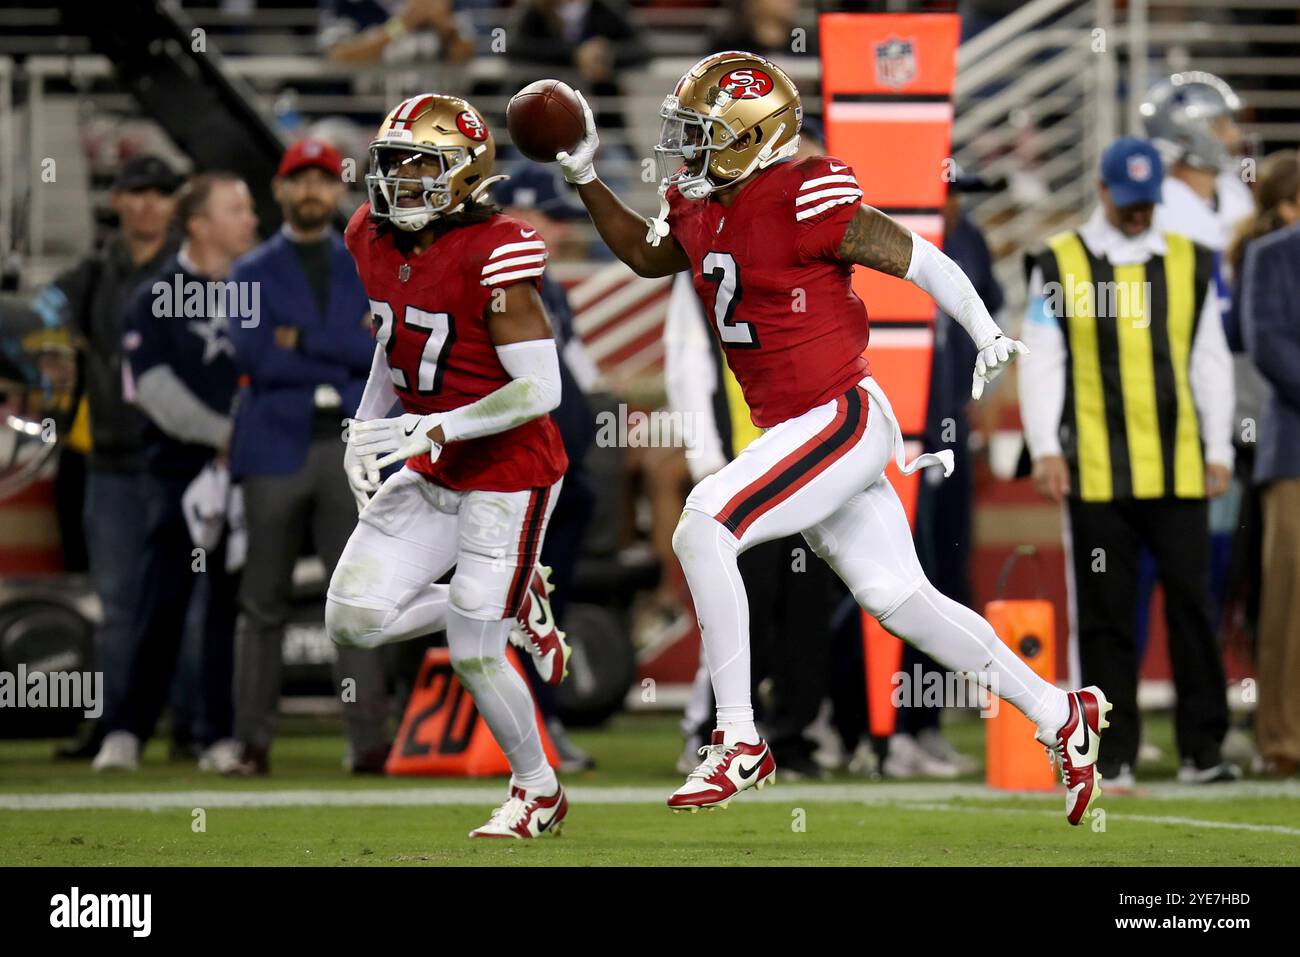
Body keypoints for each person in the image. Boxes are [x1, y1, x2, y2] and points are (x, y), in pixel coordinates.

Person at [553, 50, 1105, 825]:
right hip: (802, 427)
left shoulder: (806, 193)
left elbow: (920, 259)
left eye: (705, 132)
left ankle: (739, 735)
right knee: (899, 596)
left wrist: (985, 331)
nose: (687, 148)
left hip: (839, 414)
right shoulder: (700, 201)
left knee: (705, 522)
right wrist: (584, 177)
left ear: (756, 137)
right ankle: (1059, 712)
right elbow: (648, 253)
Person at [325, 93, 571, 838]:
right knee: (353, 620)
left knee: (474, 651)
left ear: (464, 175)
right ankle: (512, 597)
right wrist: (371, 422)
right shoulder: (369, 232)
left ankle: (537, 791)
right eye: (392, 165)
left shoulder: (497, 249)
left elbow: (542, 389)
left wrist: (433, 427)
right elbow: (395, 339)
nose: (399, 183)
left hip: (511, 467)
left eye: (419, 166)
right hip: (433, 460)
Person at [1018, 137, 1239, 790]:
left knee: (1193, 607)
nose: (1140, 214)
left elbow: (1211, 360)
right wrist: (1046, 445)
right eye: (1130, 201)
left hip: (1178, 467)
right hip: (1095, 468)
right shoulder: (1060, 261)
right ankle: (1110, 752)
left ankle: (1204, 748)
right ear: (1104, 189)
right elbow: (1042, 355)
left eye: (1149, 202)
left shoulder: (1193, 262)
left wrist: (1220, 446)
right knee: (1106, 614)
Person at [225, 140, 391, 776]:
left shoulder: (365, 259)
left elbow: (383, 348)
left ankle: (370, 741)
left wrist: (299, 341)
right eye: (302, 180)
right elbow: (254, 356)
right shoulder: (249, 271)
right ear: (280, 189)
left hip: (351, 446)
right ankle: (251, 742)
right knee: (261, 602)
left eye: (323, 180)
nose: (313, 191)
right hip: (275, 448)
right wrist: (340, 346)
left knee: (357, 599)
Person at [93, 172, 258, 772]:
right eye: (236, 208)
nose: (251, 219)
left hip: (244, 473)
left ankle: (215, 733)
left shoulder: (257, 286)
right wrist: (227, 435)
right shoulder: (156, 294)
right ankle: (128, 729)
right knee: (160, 602)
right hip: (180, 472)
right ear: (199, 224)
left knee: (225, 606)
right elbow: (153, 388)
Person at [30, 155, 181, 761]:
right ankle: (118, 725)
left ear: (174, 204)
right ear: (117, 201)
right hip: (115, 461)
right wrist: (55, 346)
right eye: (136, 193)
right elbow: (40, 311)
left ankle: (195, 727)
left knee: (184, 601)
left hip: (179, 460)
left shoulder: (192, 272)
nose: (147, 205)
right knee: (118, 604)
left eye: (159, 194)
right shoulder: (91, 276)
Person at [1238, 164, 1300, 779]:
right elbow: (1269, 343)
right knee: (1290, 600)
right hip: (1295, 454)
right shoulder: (1272, 255)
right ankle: (1282, 738)